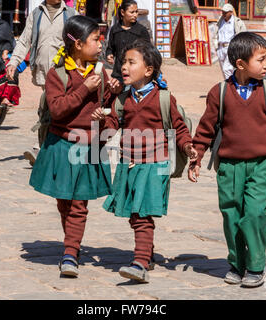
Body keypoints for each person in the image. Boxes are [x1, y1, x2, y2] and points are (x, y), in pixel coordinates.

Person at [188, 32, 266, 288]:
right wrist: (196, 157)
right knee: (232, 216)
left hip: (261, 165)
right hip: (229, 167)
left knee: (254, 214)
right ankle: (237, 263)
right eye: (261, 60)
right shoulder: (219, 92)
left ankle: (256, 265)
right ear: (241, 64)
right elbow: (206, 129)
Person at [92, 39, 197, 283]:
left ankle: (138, 263)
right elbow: (112, 125)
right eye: (123, 63)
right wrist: (99, 120)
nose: (124, 67)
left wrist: (188, 146)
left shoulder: (163, 98)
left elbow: (179, 127)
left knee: (141, 214)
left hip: (154, 164)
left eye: (131, 62)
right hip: (129, 164)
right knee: (133, 214)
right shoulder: (123, 100)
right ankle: (146, 254)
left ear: (148, 70)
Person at [28, 15, 122, 277]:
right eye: (95, 39)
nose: (101, 44)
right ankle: (72, 243)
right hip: (61, 146)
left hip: (90, 147)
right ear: (78, 44)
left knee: (79, 205)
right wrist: (83, 90)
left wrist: (107, 113)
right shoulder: (57, 74)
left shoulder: (102, 74)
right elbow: (57, 110)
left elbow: (113, 116)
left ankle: (70, 253)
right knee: (64, 204)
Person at [6, 0, 76, 165]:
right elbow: (24, 41)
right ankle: (48, 148)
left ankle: (44, 148)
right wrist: (13, 62)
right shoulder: (36, 14)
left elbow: (81, 40)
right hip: (44, 73)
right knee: (49, 109)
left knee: (49, 108)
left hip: (65, 73)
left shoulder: (71, 14)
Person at [106, 0, 150, 84]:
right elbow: (110, 48)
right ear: (122, 12)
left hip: (135, 75)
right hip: (119, 74)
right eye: (132, 12)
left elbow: (148, 52)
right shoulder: (115, 29)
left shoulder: (141, 30)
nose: (135, 15)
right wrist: (109, 54)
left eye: (136, 12)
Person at [215, 3, 247, 79]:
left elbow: (243, 34)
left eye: (226, 12)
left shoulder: (237, 22)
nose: (224, 14)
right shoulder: (220, 21)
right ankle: (231, 83)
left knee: (227, 69)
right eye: (223, 12)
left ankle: (229, 87)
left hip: (230, 47)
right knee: (224, 69)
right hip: (220, 48)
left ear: (231, 12)